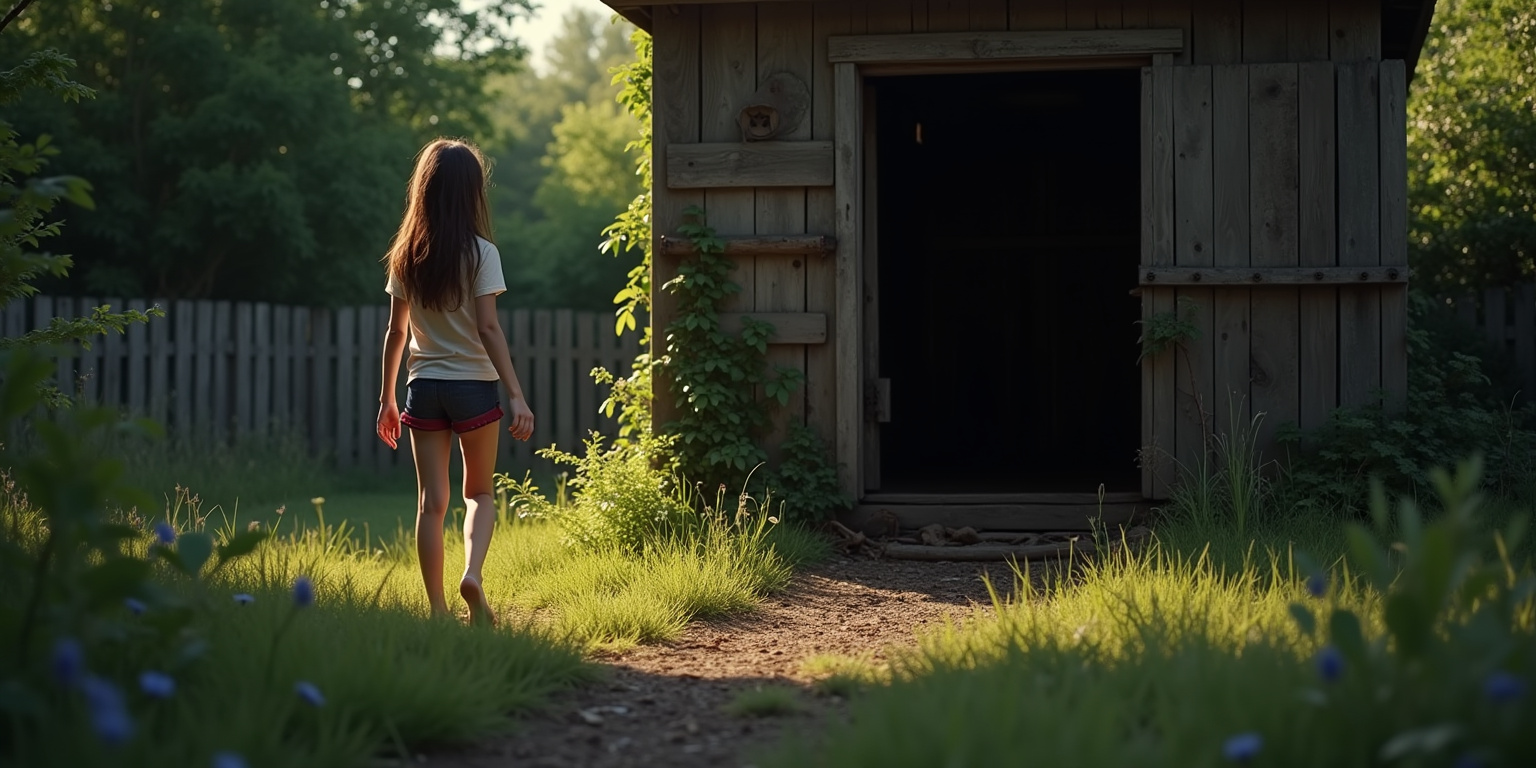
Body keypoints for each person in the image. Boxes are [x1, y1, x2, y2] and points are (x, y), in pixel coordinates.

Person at [375, 138, 535, 626]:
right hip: (474, 389)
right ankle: (472, 575)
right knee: (479, 494)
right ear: (471, 192)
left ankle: (437, 610)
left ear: (423, 189)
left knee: (431, 504)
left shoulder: (406, 255)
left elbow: (396, 331)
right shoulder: (482, 253)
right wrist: (516, 394)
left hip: (423, 387)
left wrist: (386, 399)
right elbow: (488, 328)